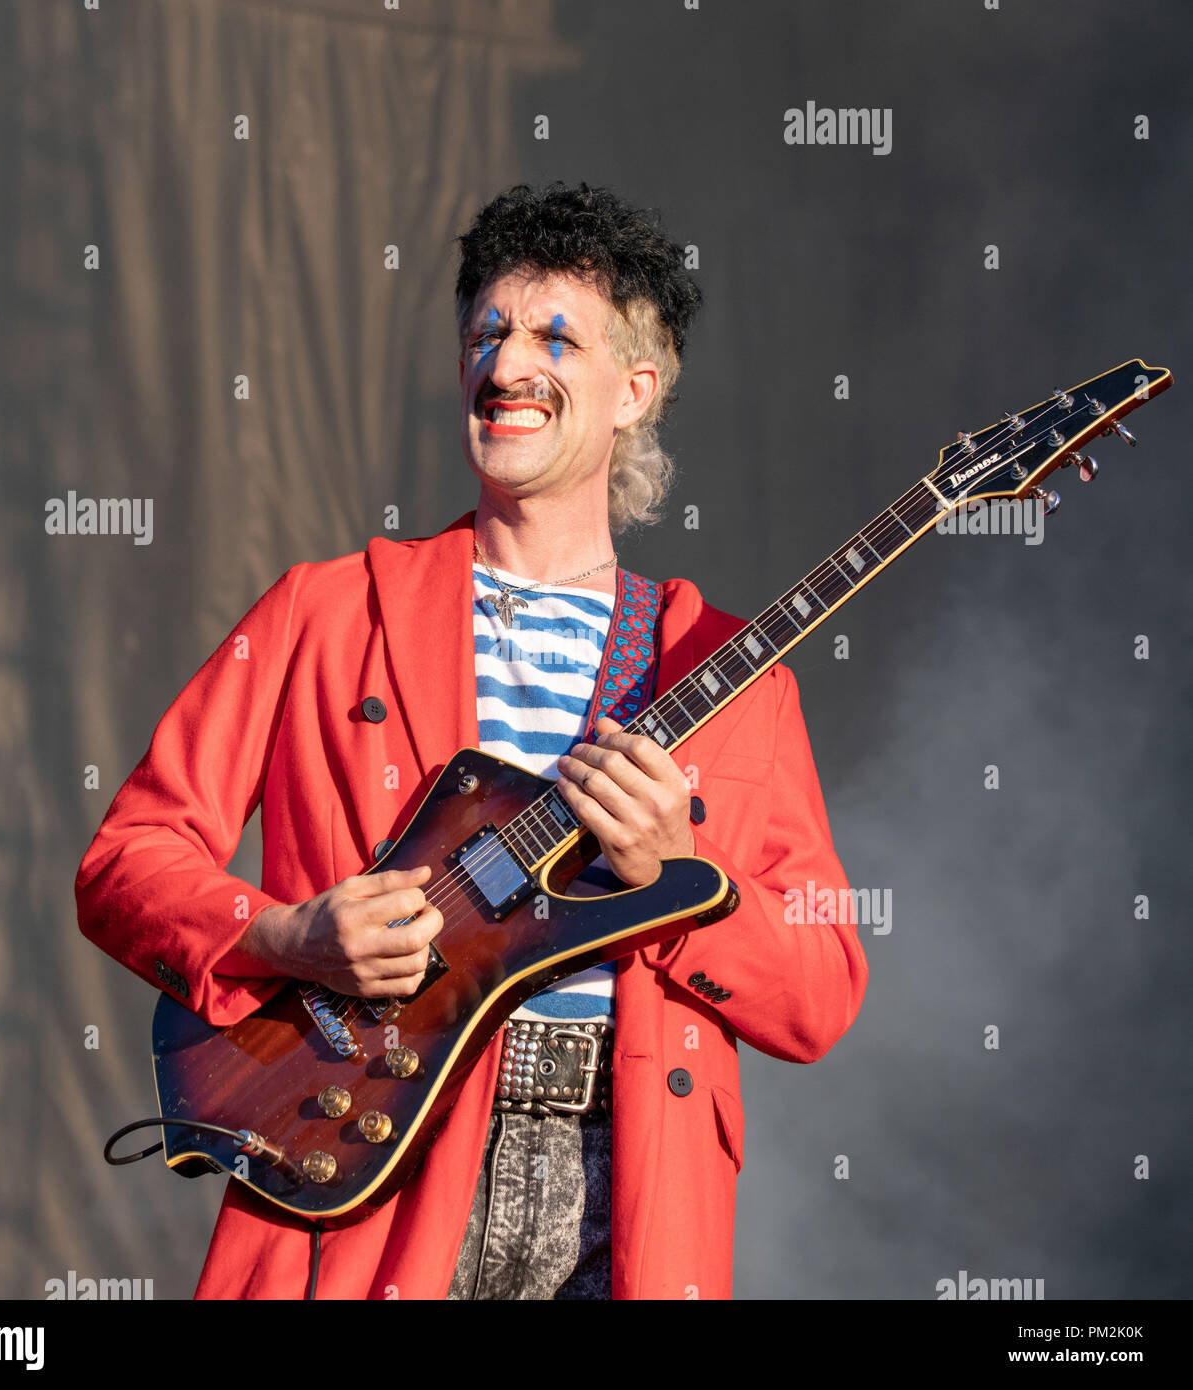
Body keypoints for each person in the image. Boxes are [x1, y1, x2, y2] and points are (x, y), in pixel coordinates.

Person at [75, 181, 868, 1300]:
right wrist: (289, 932)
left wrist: (676, 879)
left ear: (635, 389)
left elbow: (819, 987)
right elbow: (127, 861)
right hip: (375, 1159)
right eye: (487, 333)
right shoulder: (326, 610)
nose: (504, 369)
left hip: (628, 1179)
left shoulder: (724, 671)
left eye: (555, 338)